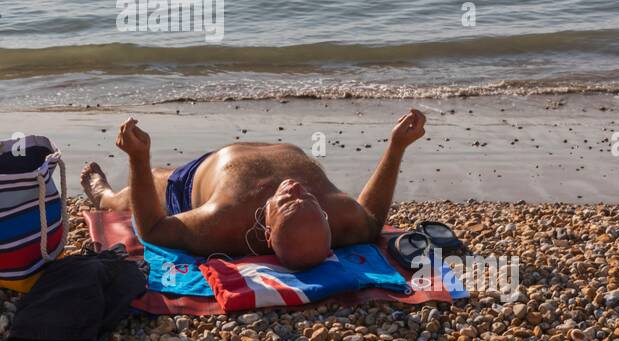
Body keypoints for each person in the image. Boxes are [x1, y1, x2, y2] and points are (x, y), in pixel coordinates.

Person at [80, 109, 427, 271]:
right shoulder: (342, 216)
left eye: (288, 202)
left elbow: (153, 230)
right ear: (324, 217)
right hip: (238, 162)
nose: (296, 188)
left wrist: (138, 159)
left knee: (136, 191)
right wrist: (396, 147)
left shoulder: (224, 221)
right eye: (309, 200)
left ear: (266, 226)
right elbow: (373, 215)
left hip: (194, 180)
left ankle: (104, 195)